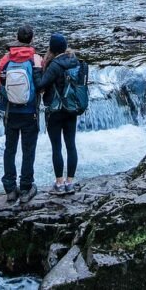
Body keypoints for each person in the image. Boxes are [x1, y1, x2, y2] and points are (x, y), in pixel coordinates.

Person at [0, 23, 43, 203]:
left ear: (17, 38)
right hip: (30, 112)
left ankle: (9, 189)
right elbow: (40, 84)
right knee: (28, 150)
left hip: (10, 112)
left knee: (10, 149)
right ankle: (26, 187)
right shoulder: (35, 59)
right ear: (32, 39)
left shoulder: (5, 59)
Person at [35, 32, 88, 194]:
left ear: (52, 48)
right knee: (71, 145)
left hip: (55, 111)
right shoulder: (75, 61)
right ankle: (70, 182)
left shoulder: (55, 65)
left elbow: (40, 85)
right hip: (72, 109)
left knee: (57, 147)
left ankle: (59, 184)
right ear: (65, 47)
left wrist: (37, 69)